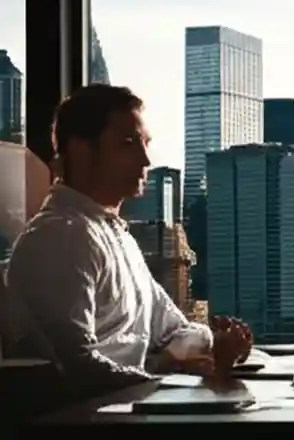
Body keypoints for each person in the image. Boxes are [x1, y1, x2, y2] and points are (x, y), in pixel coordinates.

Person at [4, 85, 253, 399]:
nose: (146, 159)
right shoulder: (60, 237)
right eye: (128, 144)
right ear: (81, 150)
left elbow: (174, 329)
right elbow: (78, 369)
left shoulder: (116, 237)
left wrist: (214, 342)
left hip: (126, 408)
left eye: (145, 143)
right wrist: (162, 371)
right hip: (85, 421)